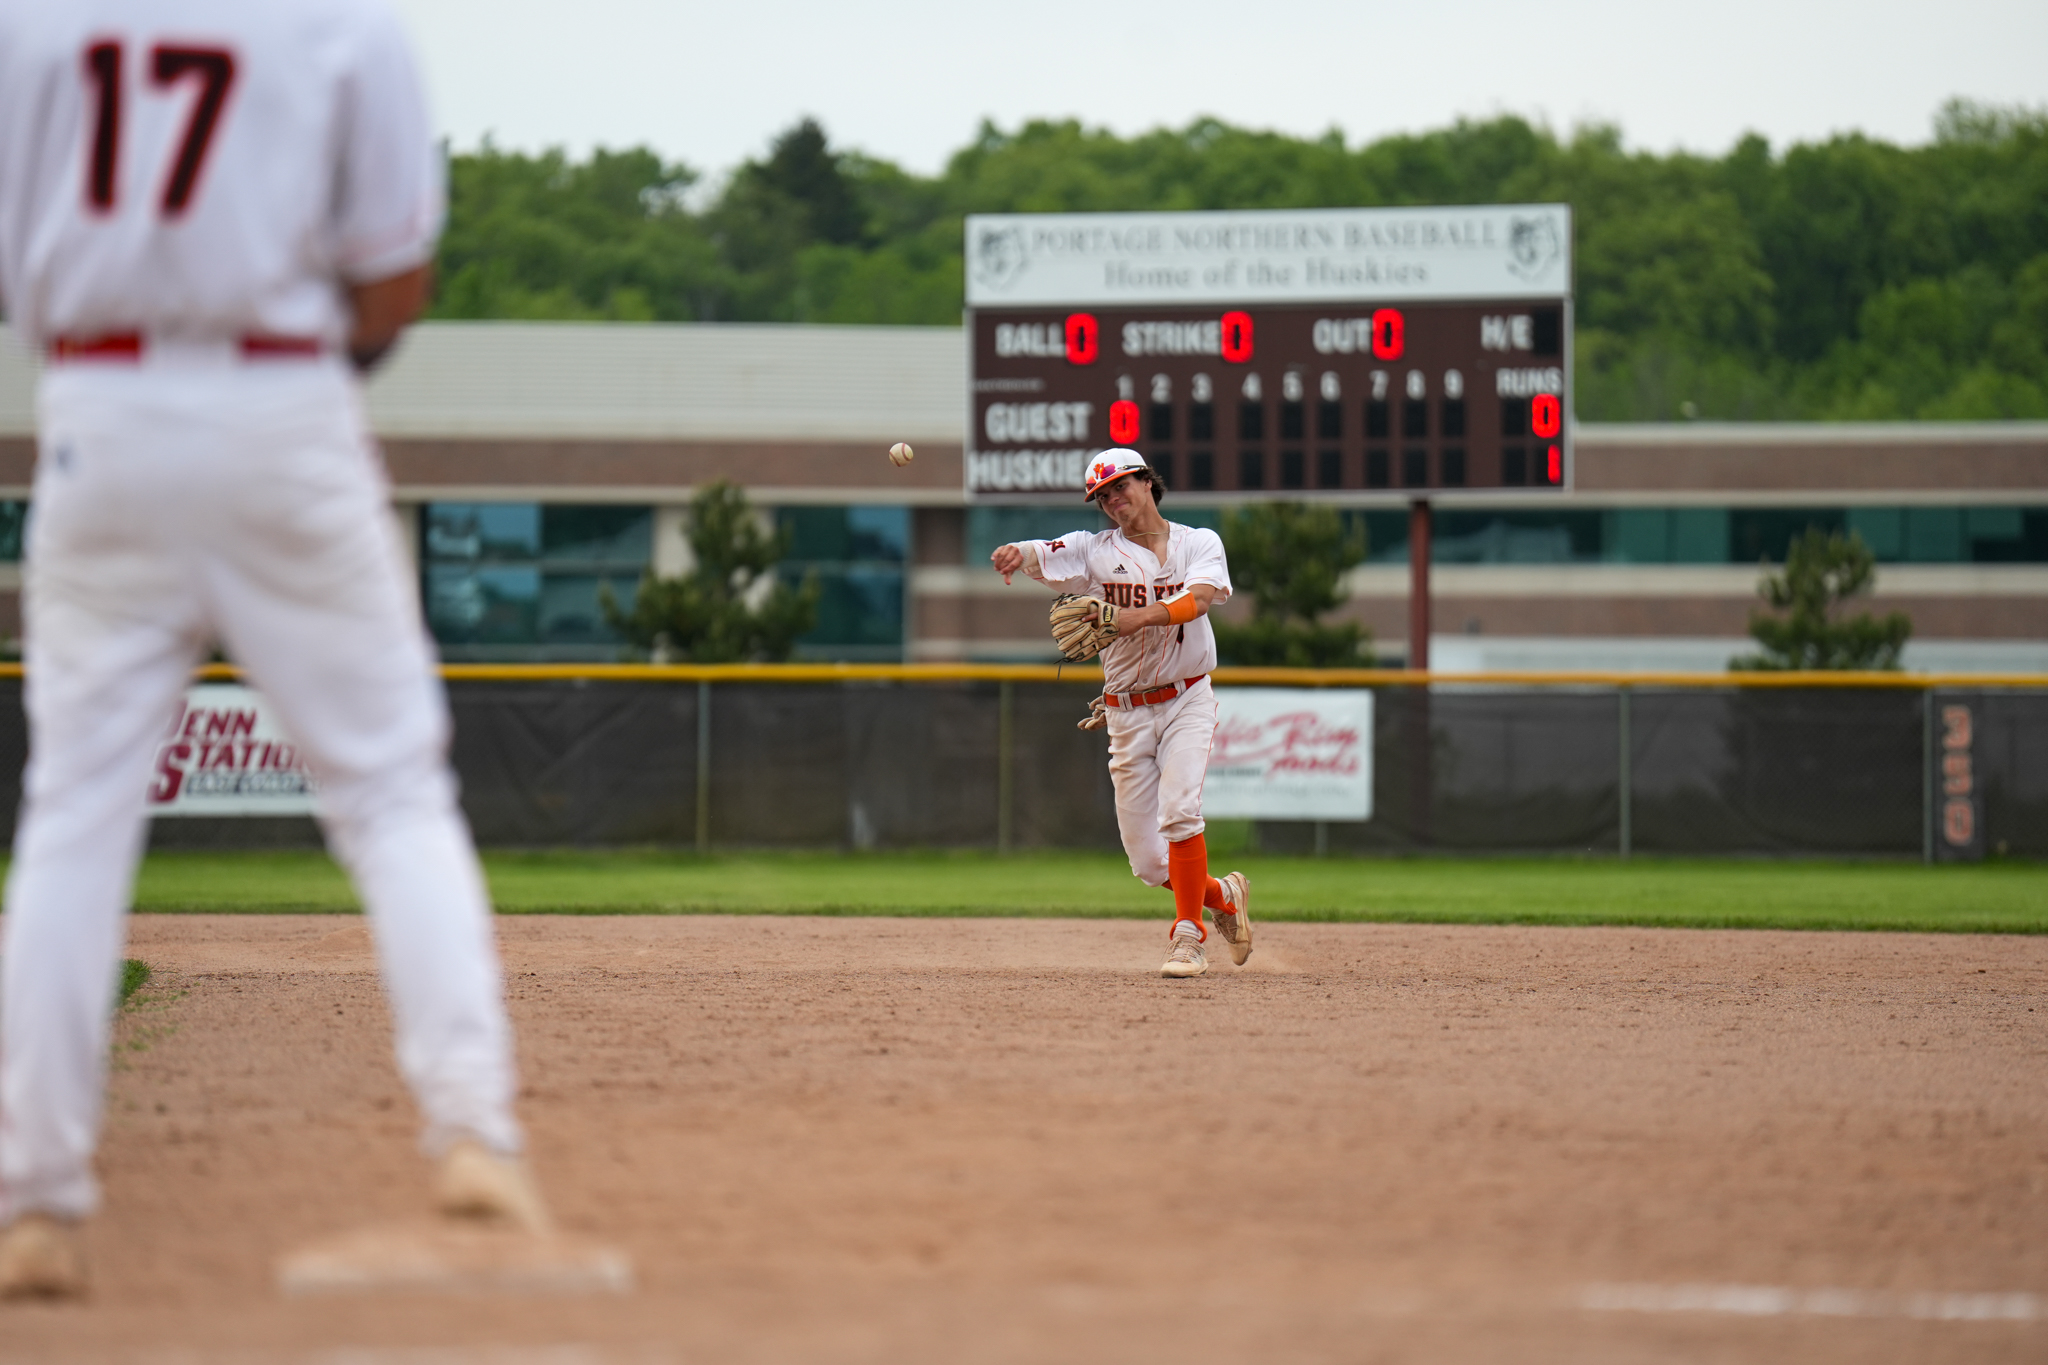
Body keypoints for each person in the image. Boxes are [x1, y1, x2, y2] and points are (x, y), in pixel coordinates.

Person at [0, 0, 545, 1298]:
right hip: (283, 400)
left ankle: (33, 1200)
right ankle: (473, 1131)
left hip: (94, 403)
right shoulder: (342, 17)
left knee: (74, 809)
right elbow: (394, 272)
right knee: (394, 791)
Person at [991, 448, 1250, 978]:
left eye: (1120, 486)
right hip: (1126, 711)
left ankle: (1187, 936)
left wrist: (1137, 618)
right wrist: (1014, 552)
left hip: (1186, 698)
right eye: (1103, 496)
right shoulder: (1092, 552)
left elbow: (1200, 599)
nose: (1113, 500)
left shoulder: (1199, 542)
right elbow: (1043, 550)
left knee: (1180, 812)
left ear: (1147, 483)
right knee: (1150, 863)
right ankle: (1222, 897)